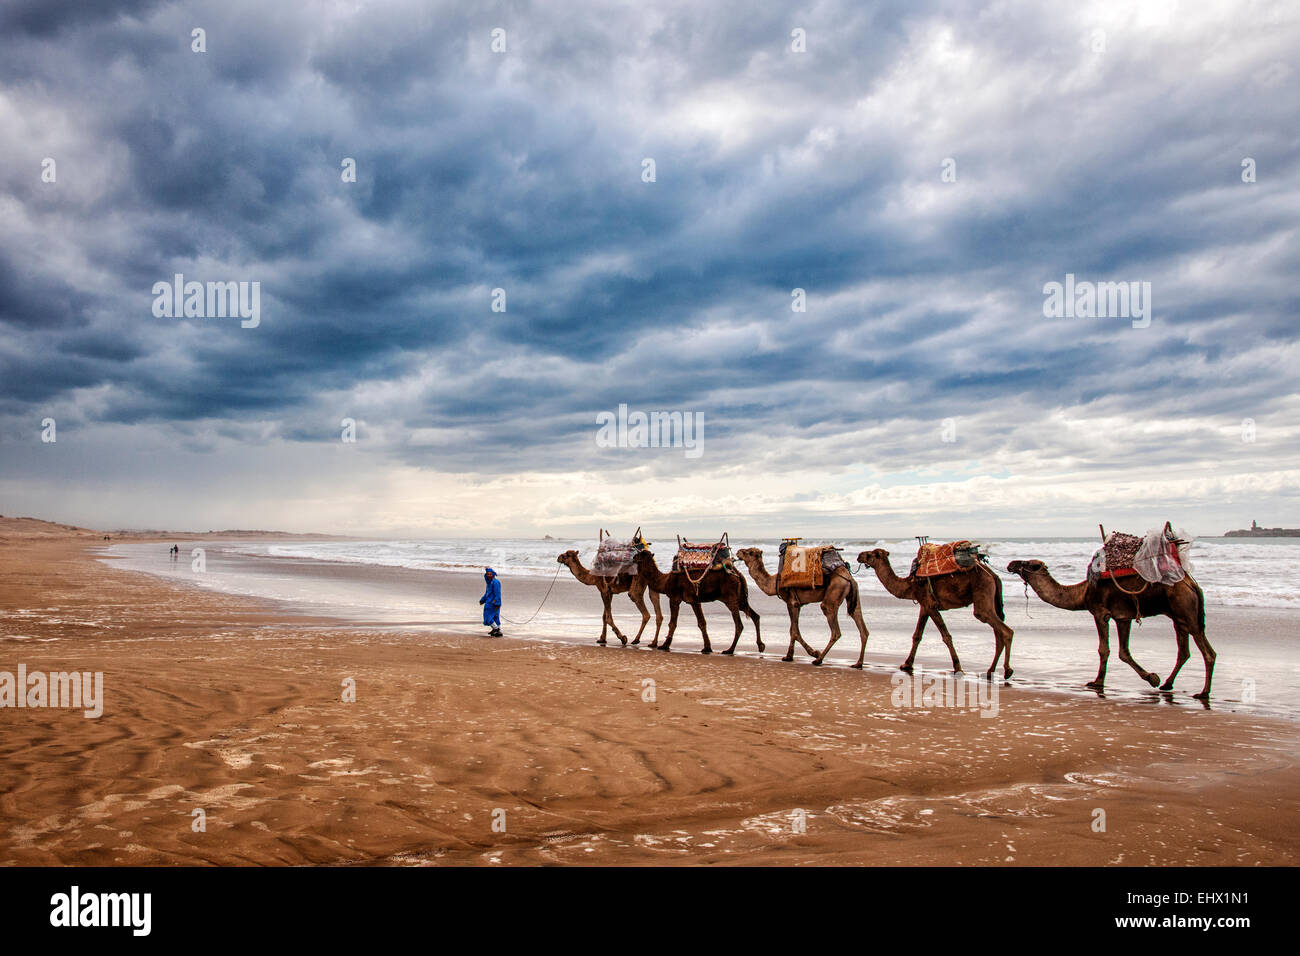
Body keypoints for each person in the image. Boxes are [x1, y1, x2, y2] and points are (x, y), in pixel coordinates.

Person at [479, 567, 502, 637]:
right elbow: (487, 593)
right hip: (489, 602)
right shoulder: (489, 583)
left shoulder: (496, 582)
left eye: (490, 574)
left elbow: (498, 593)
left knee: (489, 616)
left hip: (493, 603)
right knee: (495, 617)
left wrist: (497, 602)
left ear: (493, 574)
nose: (489, 575)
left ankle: (496, 629)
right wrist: (482, 600)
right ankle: (499, 632)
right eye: (487, 574)